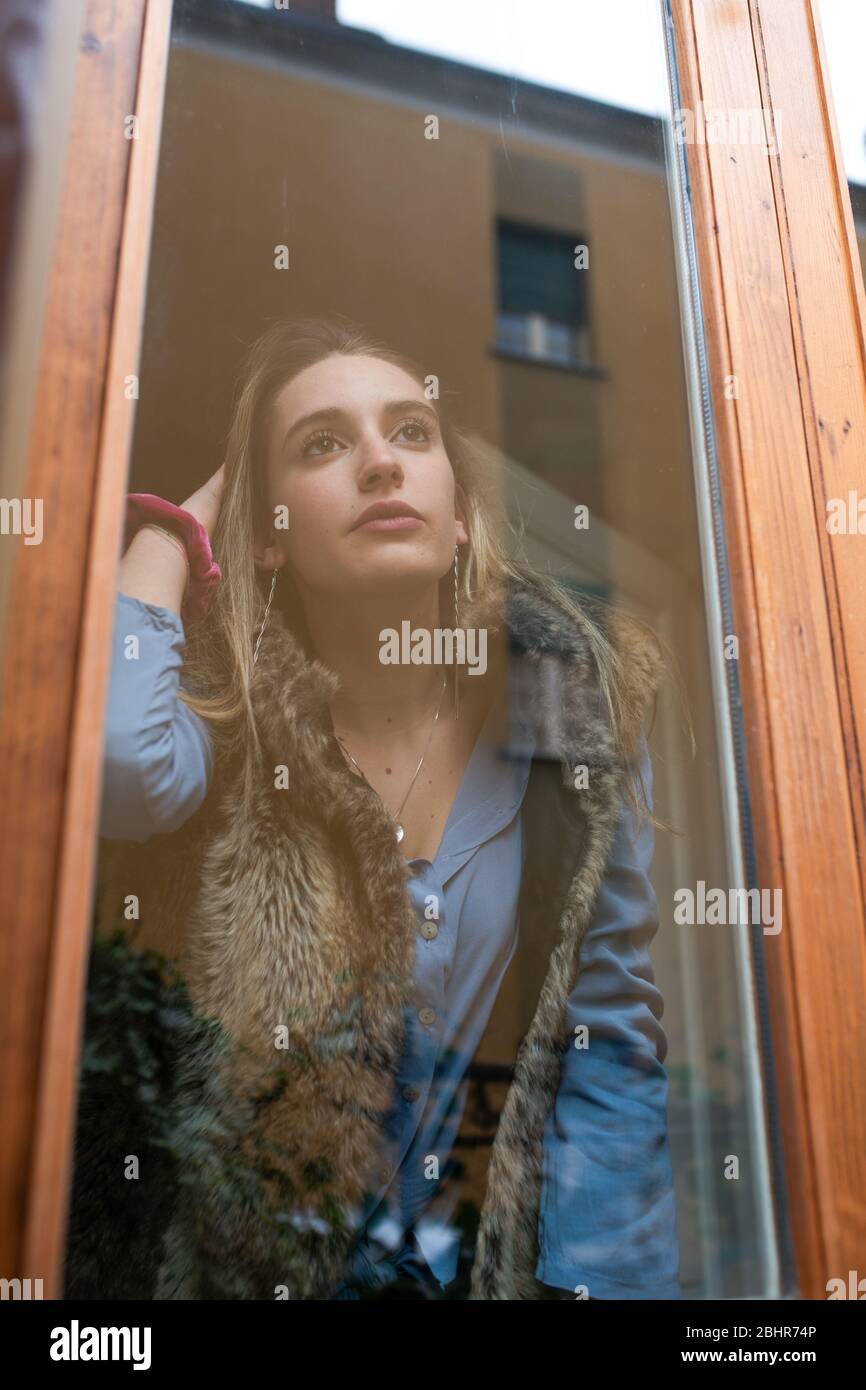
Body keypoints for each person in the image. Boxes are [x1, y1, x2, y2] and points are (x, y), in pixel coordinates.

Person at [89, 314, 681, 1301]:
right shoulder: (231, 725)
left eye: (411, 433)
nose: (378, 462)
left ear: (456, 516)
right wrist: (178, 525)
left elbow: (607, 1038)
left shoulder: (564, 711)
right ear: (266, 537)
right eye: (322, 444)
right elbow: (115, 763)